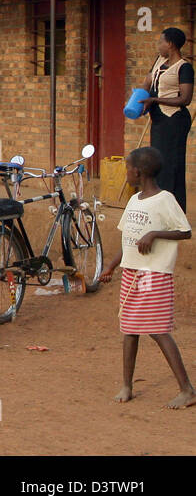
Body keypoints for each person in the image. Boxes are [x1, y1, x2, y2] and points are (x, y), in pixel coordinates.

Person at [100, 147, 195, 408]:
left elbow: (185, 232)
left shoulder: (165, 200)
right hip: (132, 273)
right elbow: (128, 241)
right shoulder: (134, 200)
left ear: (138, 172)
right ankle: (127, 385)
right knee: (129, 330)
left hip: (154, 273)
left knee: (157, 330)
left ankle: (187, 390)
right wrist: (111, 265)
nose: (126, 172)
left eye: (127, 168)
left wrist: (154, 234)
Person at [140, 27, 193, 210]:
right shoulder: (160, 62)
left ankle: (174, 211)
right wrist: (139, 101)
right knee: (159, 164)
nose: (158, 46)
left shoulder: (184, 67)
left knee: (172, 165)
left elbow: (185, 99)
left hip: (175, 121)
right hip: (160, 121)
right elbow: (147, 82)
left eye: (161, 42)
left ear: (170, 44)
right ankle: (160, 209)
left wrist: (155, 99)